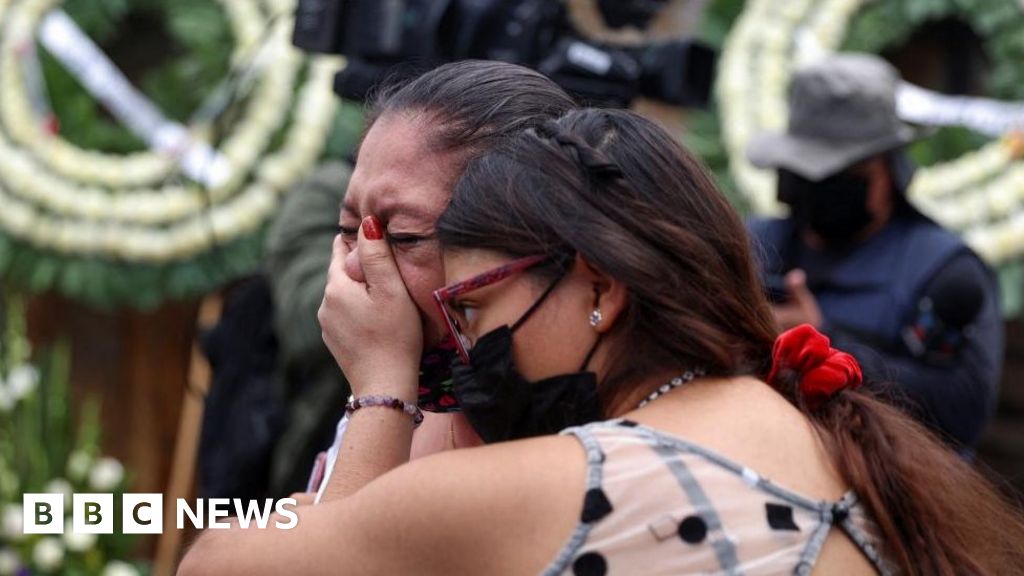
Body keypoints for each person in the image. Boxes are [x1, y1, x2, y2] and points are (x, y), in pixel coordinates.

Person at [180, 108, 1024, 576]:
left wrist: (383, 387)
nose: (467, 346)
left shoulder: (571, 481)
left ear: (598, 287)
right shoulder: (813, 434)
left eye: (469, 308)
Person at [304, 60, 579, 501]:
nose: (357, 268)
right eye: (347, 229)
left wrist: (382, 395)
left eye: (403, 237)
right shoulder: (391, 412)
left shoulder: (602, 451)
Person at [745, 53, 1003, 451]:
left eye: (839, 175)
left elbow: (962, 413)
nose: (819, 186)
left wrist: (824, 343)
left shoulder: (943, 271)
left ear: (888, 169)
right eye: (807, 172)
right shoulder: (752, 245)